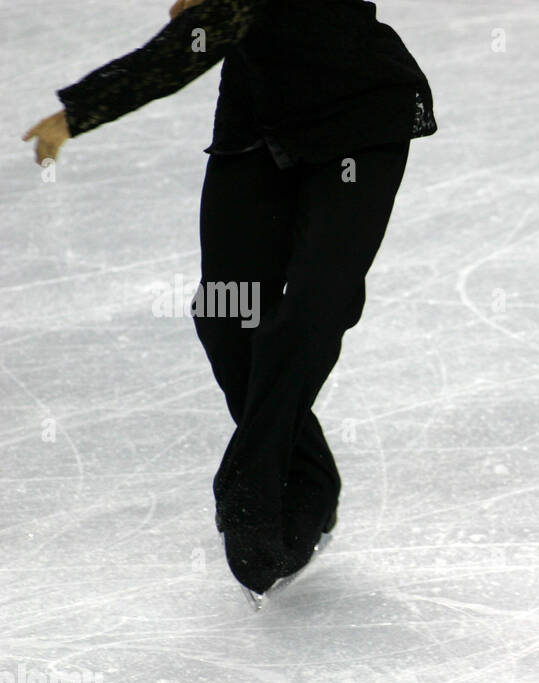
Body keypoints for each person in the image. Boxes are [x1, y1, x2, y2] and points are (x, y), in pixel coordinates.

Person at [23, 0, 437, 607]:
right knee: (226, 312)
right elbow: (200, 34)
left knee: (311, 311)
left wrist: (77, 112)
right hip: (258, 128)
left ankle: (251, 492)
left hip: (359, 126)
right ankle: (312, 481)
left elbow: (192, 39)